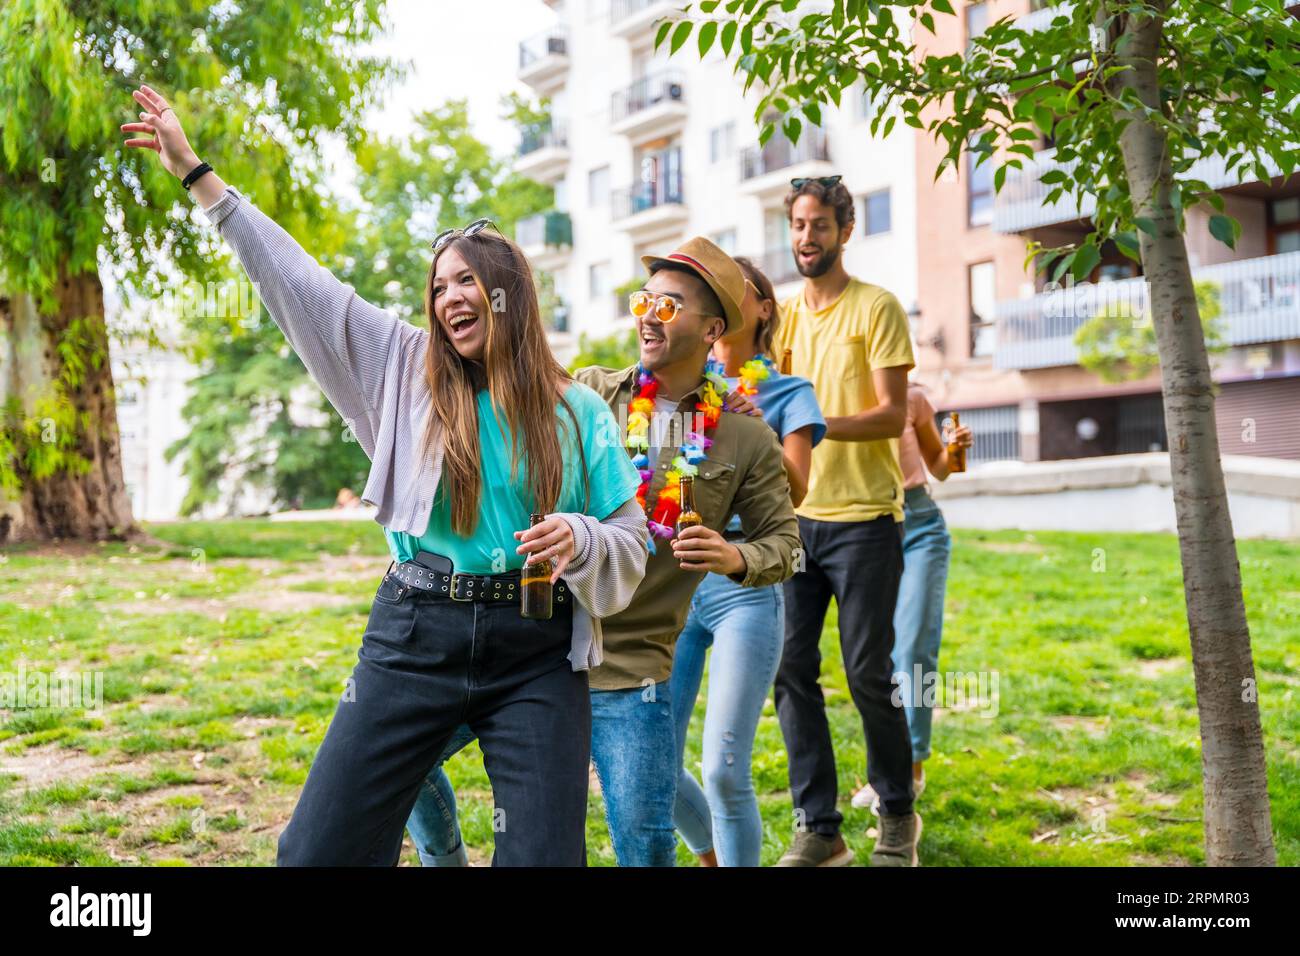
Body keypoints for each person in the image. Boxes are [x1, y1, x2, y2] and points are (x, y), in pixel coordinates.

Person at [122, 84, 649, 866]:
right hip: (414, 633)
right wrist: (200, 176)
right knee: (315, 853)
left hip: (534, 647)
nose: (449, 298)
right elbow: (298, 284)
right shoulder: (403, 369)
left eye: (466, 280)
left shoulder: (578, 414)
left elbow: (631, 537)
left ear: (508, 293)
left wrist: (580, 536)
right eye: (438, 287)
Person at [404, 237, 803, 866]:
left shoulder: (746, 435)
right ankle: (444, 858)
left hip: (631, 665)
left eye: (668, 306)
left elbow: (786, 544)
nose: (647, 314)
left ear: (713, 328)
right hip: (535, 647)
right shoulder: (586, 395)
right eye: (644, 300)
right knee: (404, 758)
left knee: (643, 847)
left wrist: (733, 557)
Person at [771, 175, 921, 867]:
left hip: (866, 520)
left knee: (866, 672)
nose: (807, 237)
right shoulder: (783, 319)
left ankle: (896, 813)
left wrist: (815, 426)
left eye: (820, 225)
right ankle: (820, 827)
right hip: (797, 522)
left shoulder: (877, 307)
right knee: (790, 668)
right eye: (799, 225)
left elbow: (894, 413)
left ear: (845, 230)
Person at [670, 257, 824, 867]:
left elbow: (799, 492)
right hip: (678, 580)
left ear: (760, 308)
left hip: (746, 581)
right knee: (652, 755)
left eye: (739, 288)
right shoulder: (685, 380)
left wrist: (755, 426)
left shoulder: (789, 392)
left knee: (724, 769)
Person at [852, 385, 972, 813]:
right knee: (870, 657)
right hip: (864, 526)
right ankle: (885, 769)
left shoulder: (911, 397)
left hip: (919, 526)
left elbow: (940, 467)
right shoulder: (826, 387)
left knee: (915, 644)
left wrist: (955, 450)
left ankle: (911, 767)